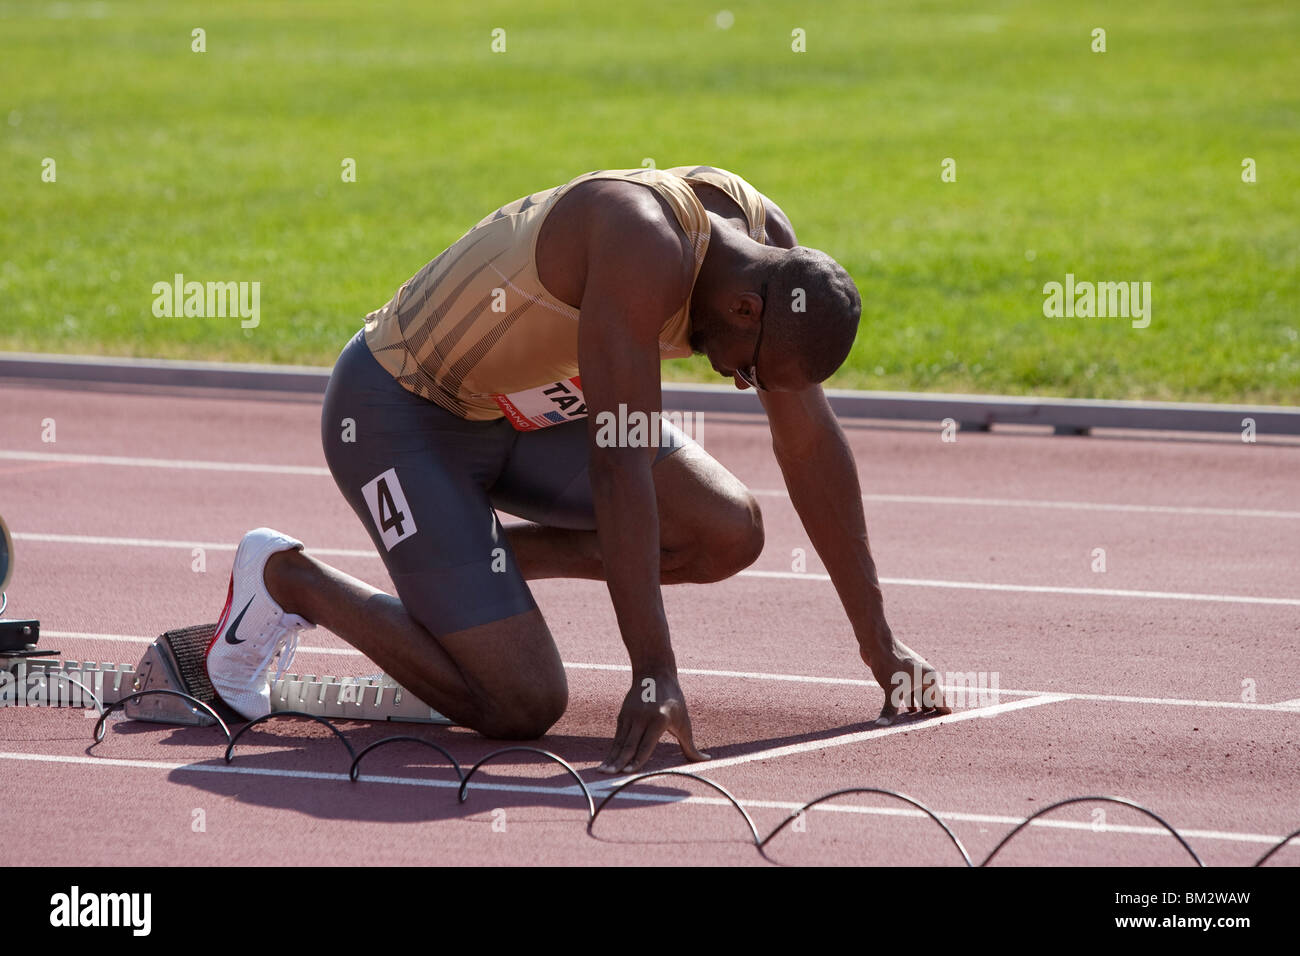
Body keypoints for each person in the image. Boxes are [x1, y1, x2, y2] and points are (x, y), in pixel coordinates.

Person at [204, 165, 949, 774]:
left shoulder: (768, 245)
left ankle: (473, 577)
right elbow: (619, 469)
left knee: (727, 531)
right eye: (749, 371)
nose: (736, 381)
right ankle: (288, 579)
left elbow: (810, 445)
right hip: (397, 412)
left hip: (520, 413)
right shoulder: (639, 243)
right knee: (519, 703)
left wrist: (879, 644)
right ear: (747, 308)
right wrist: (654, 672)